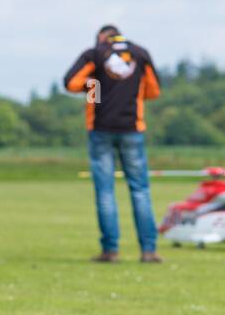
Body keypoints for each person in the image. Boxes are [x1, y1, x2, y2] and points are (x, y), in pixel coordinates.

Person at [63, 25, 163, 262]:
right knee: (140, 190)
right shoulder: (140, 53)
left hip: (101, 130)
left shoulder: (94, 54)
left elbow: (71, 83)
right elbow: (153, 90)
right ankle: (148, 250)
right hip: (132, 129)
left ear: (101, 38)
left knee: (105, 191)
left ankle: (111, 250)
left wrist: (95, 86)